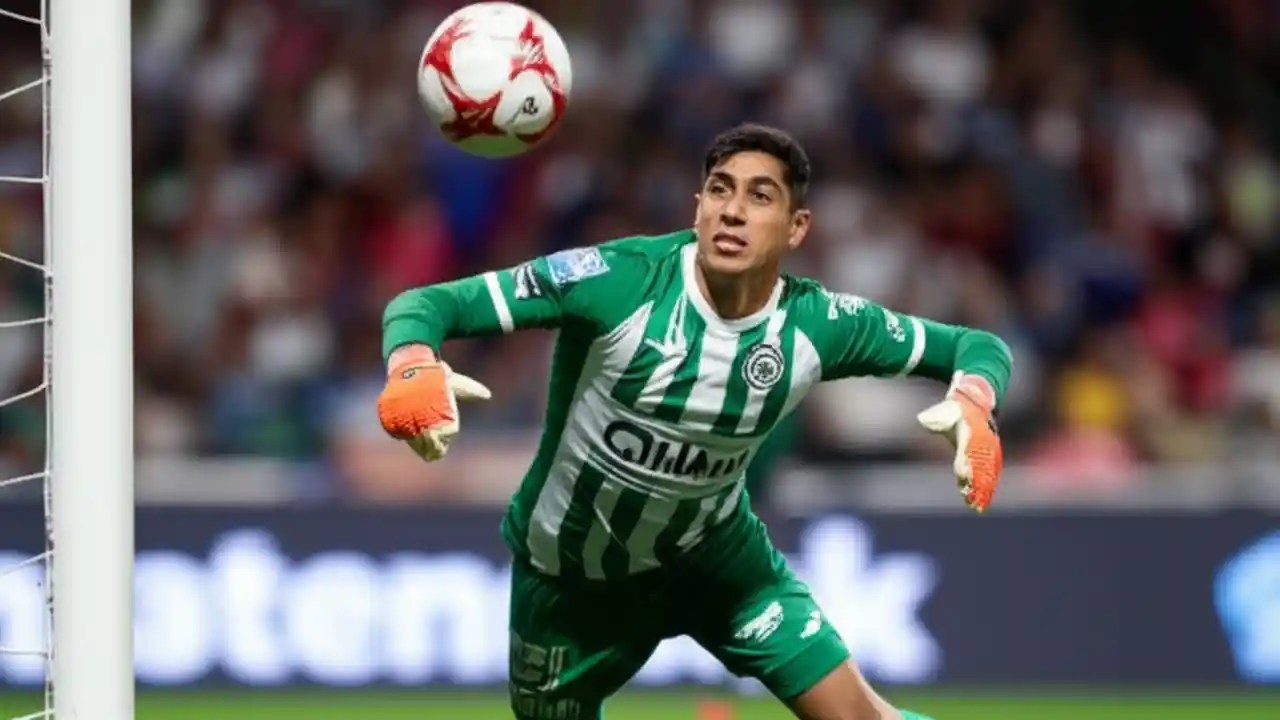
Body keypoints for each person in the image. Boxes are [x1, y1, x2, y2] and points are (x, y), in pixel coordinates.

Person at [377, 123, 1012, 720]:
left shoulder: (818, 324)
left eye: (759, 196)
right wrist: (411, 362)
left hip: (714, 564)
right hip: (568, 584)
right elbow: (428, 303)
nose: (732, 211)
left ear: (796, 228)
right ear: (697, 208)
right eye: (719, 190)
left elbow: (977, 348)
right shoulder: (618, 282)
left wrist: (976, 401)